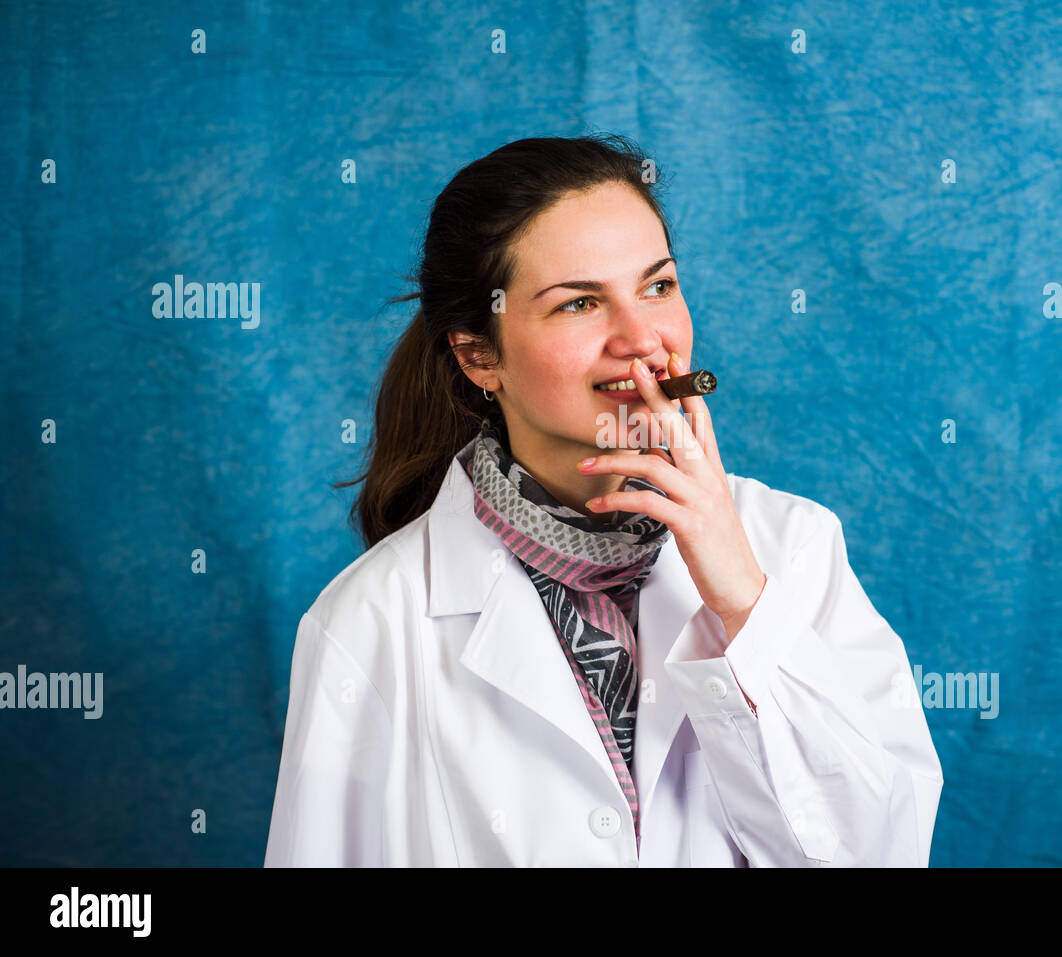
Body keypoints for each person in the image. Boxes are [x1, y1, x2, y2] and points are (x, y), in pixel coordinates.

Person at [264, 134, 943, 867]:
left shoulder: (795, 548)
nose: (642, 338)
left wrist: (744, 603)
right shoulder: (368, 621)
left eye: (658, 286)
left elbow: (884, 849)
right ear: (477, 355)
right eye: (581, 302)